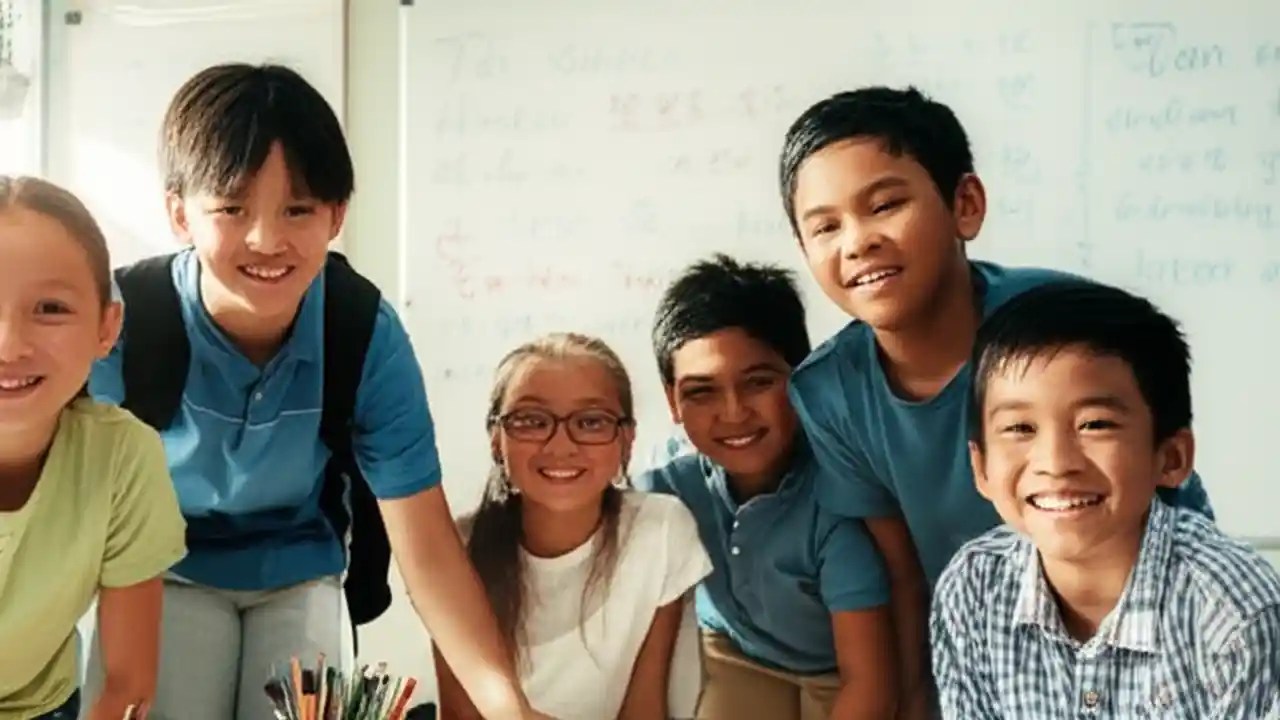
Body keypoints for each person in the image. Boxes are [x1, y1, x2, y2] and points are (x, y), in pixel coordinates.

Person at [86, 64, 543, 719]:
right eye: (232, 208)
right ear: (179, 212)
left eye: (297, 209)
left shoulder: (363, 332)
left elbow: (431, 554)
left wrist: (508, 705)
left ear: (336, 215)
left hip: (300, 574)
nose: (267, 239)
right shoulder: (119, 321)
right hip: (158, 573)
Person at [778, 85, 1214, 715]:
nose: (857, 241)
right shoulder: (828, 392)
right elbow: (901, 572)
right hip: (996, 656)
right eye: (825, 226)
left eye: (886, 204)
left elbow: (1167, 507)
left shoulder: (1070, 327)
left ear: (966, 204)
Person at [932, 279, 1280, 718]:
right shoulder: (972, 590)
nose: (1055, 463)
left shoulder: (1233, 611)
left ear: (1171, 457)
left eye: (1094, 424)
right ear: (981, 468)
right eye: (1020, 428)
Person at [638, 254, 897, 719]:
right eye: (701, 391)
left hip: (835, 667)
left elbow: (870, 682)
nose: (733, 412)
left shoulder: (838, 497)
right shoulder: (664, 484)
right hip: (739, 653)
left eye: (758, 382)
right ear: (672, 401)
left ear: (800, 379)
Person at [435, 332, 712, 720]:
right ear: (497, 440)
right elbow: (461, 714)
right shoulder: (458, 548)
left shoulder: (660, 531)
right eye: (532, 420)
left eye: (591, 422)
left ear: (627, 440)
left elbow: (646, 707)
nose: (561, 445)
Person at [0, 176, 186, 719]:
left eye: (50, 308)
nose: (9, 342)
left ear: (108, 327)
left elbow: (128, 684)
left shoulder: (122, 457)